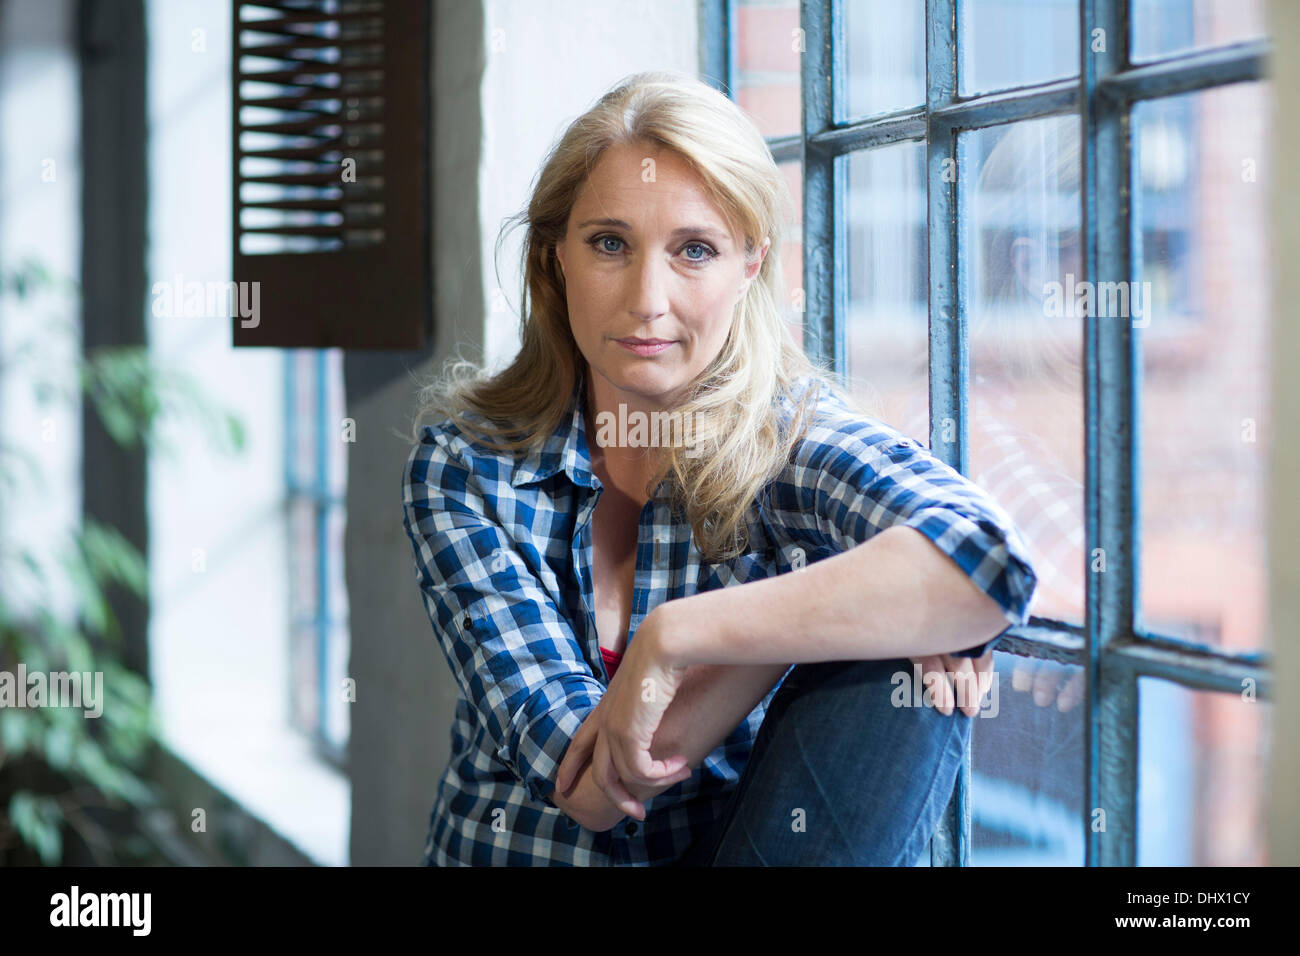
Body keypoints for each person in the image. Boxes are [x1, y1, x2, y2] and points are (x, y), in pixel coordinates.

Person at [401, 70, 1039, 866]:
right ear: (555, 255)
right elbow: (593, 790)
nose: (648, 299)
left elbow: (991, 566)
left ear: (750, 265)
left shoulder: (790, 441)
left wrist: (681, 636)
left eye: (694, 250)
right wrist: (805, 617)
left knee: (897, 667)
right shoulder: (465, 466)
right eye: (609, 243)